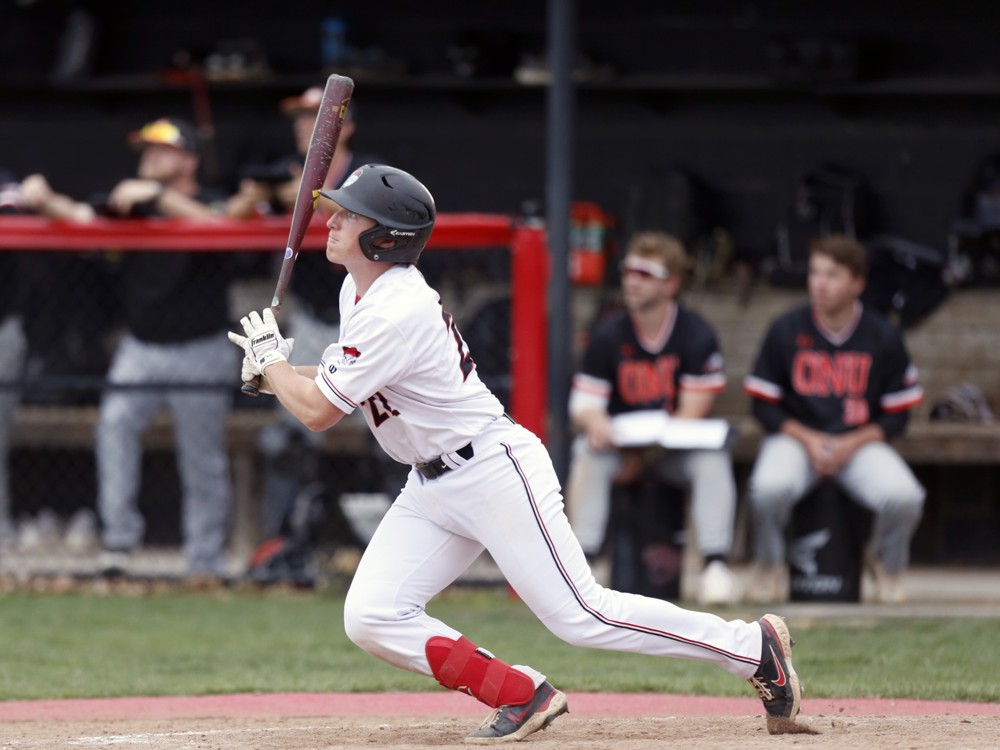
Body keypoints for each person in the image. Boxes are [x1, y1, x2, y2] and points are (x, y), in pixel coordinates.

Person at [228, 164, 803, 742]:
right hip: (430, 485)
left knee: (582, 615)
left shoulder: (395, 310)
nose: (332, 221)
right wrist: (274, 374)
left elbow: (319, 412)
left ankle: (750, 648)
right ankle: (519, 693)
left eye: (350, 215)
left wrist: (275, 365)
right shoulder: (359, 289)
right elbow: (341, 380)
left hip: (490, 470)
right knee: (372, 615)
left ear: (385, 238)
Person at [20, 118, 238, 579]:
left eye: (163, 149)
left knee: (201, 457)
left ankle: (204, 561)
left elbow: (221, 224)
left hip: (200, 349)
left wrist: (158, 195)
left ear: (189, 160)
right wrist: (45, 199)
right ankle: (118, 544)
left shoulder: (210, 198)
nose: (150, 156)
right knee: (114, 427)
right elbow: (82, 218)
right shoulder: (131, 204)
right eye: (147, 149)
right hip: (141, 347)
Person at [227, 87, 386, 544]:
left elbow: (360, 210)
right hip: (316, 319)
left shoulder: (367, 172)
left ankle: (381, 536)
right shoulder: (286, 170)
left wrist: (305, 195)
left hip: (367, 319)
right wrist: (258, 196)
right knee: (290, 434)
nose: (304, 127)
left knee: (384, 429)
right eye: (299, 118)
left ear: (345, 126)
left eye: (313, 117)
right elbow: (232, 215)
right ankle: (285, 540)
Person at [743, 234, 926, 603]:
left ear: (857, 283)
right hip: (796, 440)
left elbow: (898, 415)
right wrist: (809, 439)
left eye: (832, 275)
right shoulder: (786, 328)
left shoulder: (882, 334)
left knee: (905, 497)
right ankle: (769, 565)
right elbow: (764, 406)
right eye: (815, 273)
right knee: (767, 489)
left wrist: (850, 443)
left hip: (858, 443)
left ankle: (886, 565)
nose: (820, 284)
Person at [566, 231, 741, 605]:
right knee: (587, 451)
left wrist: (643, 455)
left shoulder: (695, 333)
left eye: (646, 274)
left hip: (673, 451)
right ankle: (584, 566)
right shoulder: (608, 333)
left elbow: (693, 411)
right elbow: (584, 404)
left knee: (712, 460)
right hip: (620, 449)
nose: (633, 281)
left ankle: (715, 567)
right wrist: (596, 423)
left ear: (671, 284)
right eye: (629, 271)